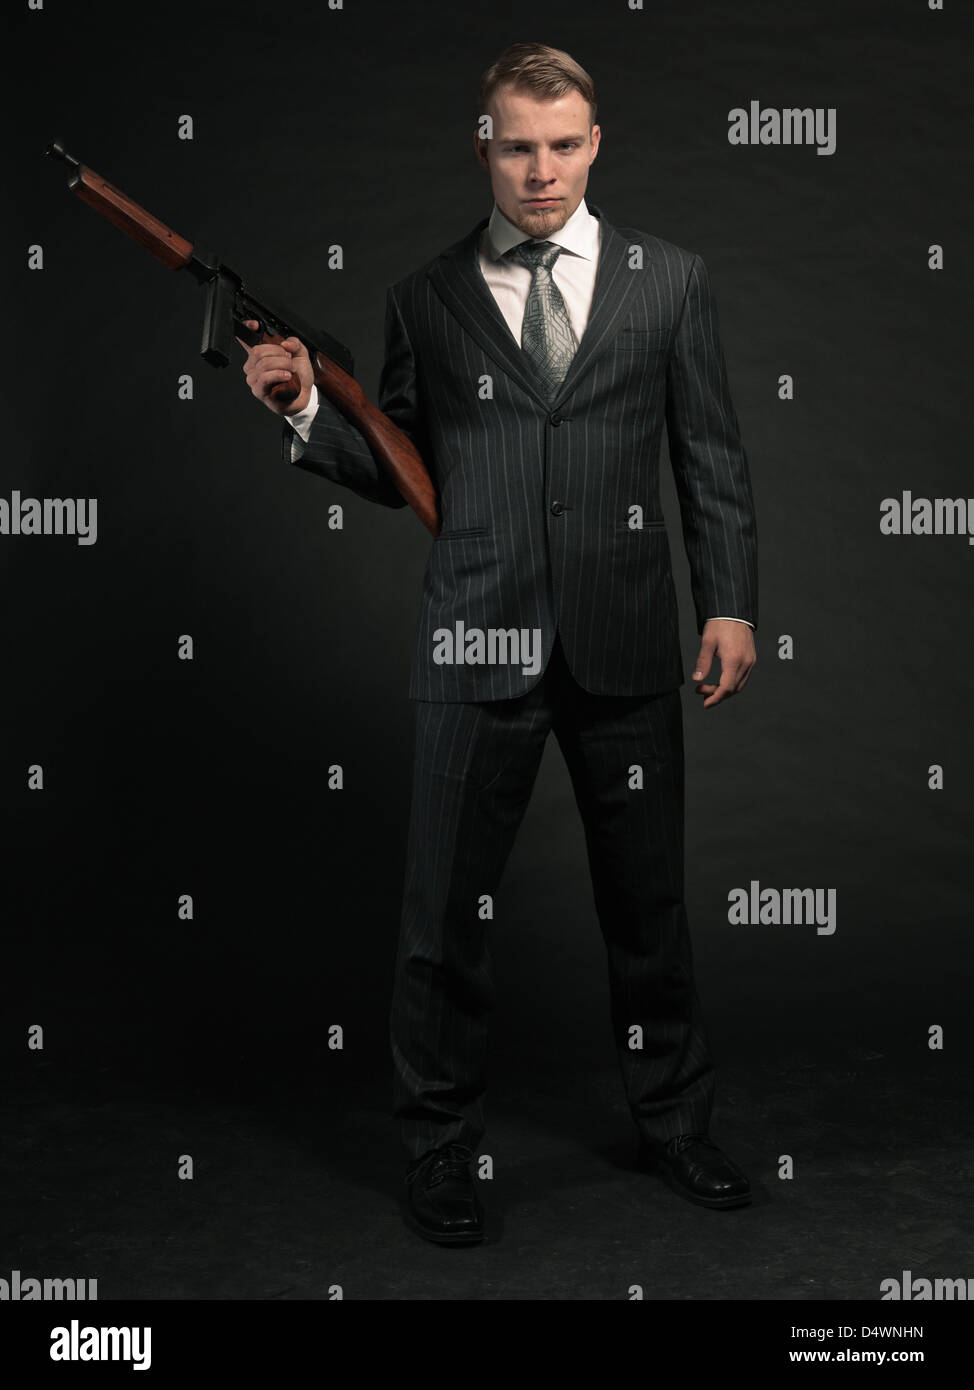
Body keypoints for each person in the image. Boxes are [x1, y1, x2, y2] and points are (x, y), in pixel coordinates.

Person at [238, 42, 758, 1246]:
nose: (540, 170)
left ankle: (674, 1122)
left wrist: (726, 602)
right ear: (483, 146)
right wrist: (307, 406)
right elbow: (401, 465)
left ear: (593, 143)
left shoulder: (669, 282)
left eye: (562, 143)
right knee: (441, 916)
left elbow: (711, 457)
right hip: (475, 642)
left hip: (626, 638)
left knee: (647, 906)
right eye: (516, 145)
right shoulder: (425, 298)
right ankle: (438, 1149)